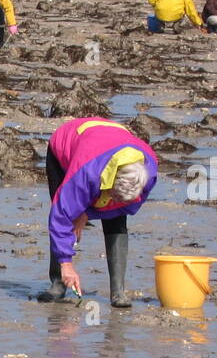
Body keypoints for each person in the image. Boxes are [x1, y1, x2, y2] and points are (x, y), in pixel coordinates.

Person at [37, 118, 159, 307]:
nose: (113, 202)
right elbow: (60, 216)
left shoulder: (147, 172)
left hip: (111, 138)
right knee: (67, 217)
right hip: (69, 142)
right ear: (109, 181)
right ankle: (59, 282)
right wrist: (67, 263)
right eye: (113, 196)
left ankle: (118, 291)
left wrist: (85, 214)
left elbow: (125, 206)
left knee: (117, 218)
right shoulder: (85, 173)